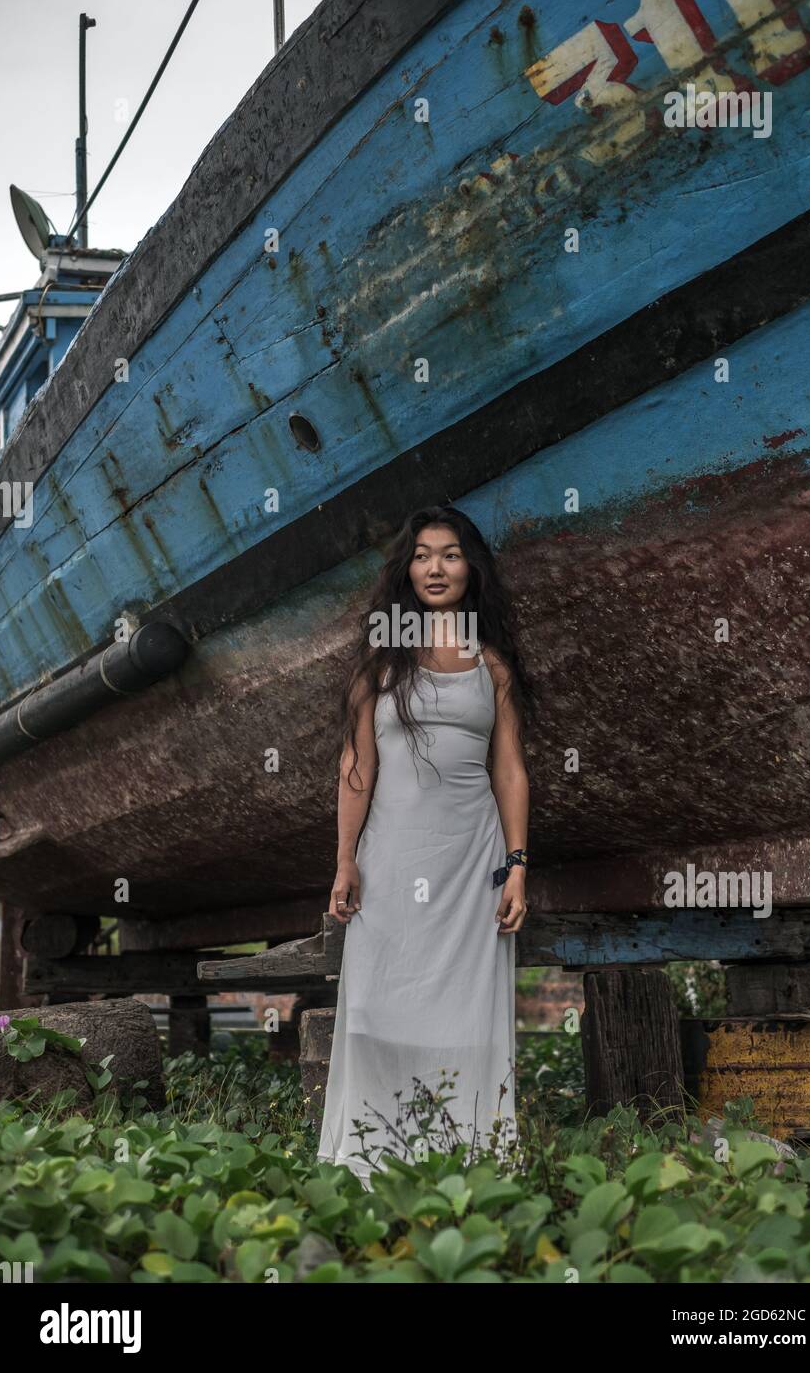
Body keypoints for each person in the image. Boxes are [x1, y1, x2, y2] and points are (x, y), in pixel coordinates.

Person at [316, 505, 536, 1189]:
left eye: (448, 554)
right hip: (390, 860)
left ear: (471, 568)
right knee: (379, 1002)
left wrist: (519, 867)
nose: (435, 567)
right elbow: (357, 769)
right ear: (405, 571)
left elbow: (510, 770)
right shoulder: (380, 664)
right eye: (421, 555)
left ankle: (469, 1155)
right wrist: (346, 860)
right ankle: (375, 1154)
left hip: (472, 860)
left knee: (467, 1010)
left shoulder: (491, 667)